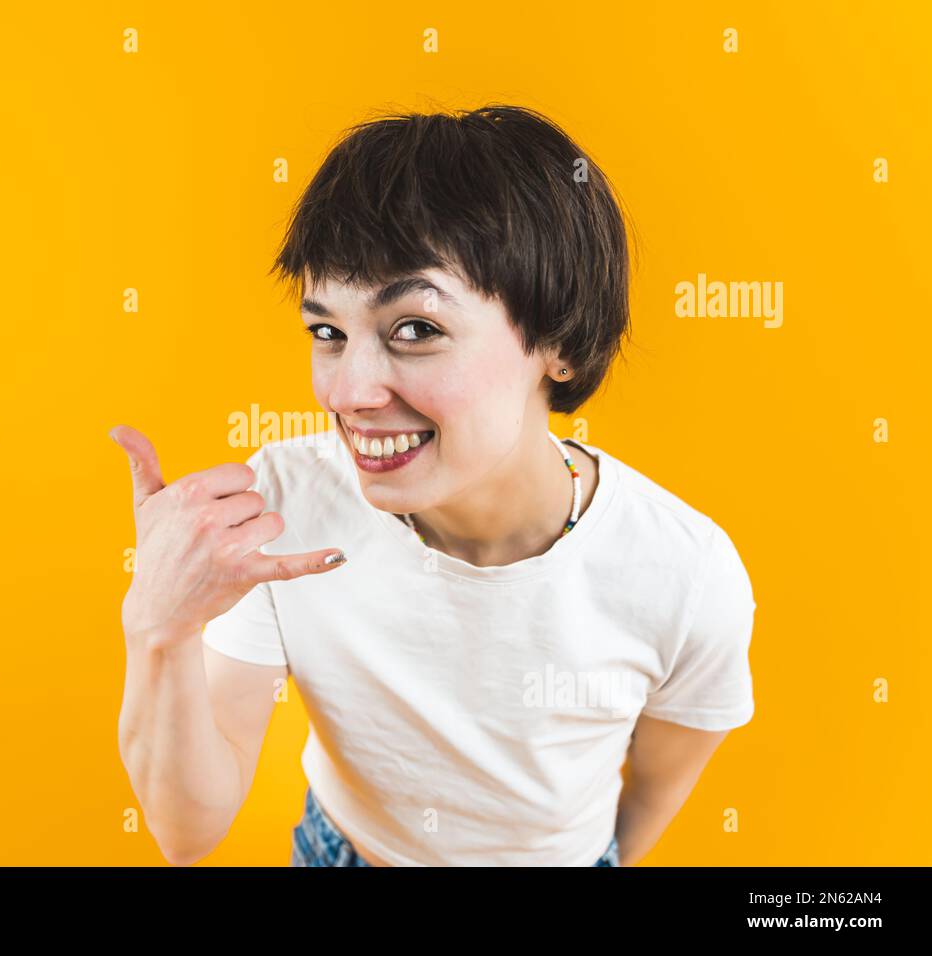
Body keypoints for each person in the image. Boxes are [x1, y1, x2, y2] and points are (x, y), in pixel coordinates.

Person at [113, 104, 756, 867]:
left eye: (415, 329)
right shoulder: (282, 506)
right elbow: (188, 834)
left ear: (556, 344)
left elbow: (649, 795)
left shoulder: (684, 572)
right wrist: (160, 627)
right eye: (327, 332)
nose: (348, 392)